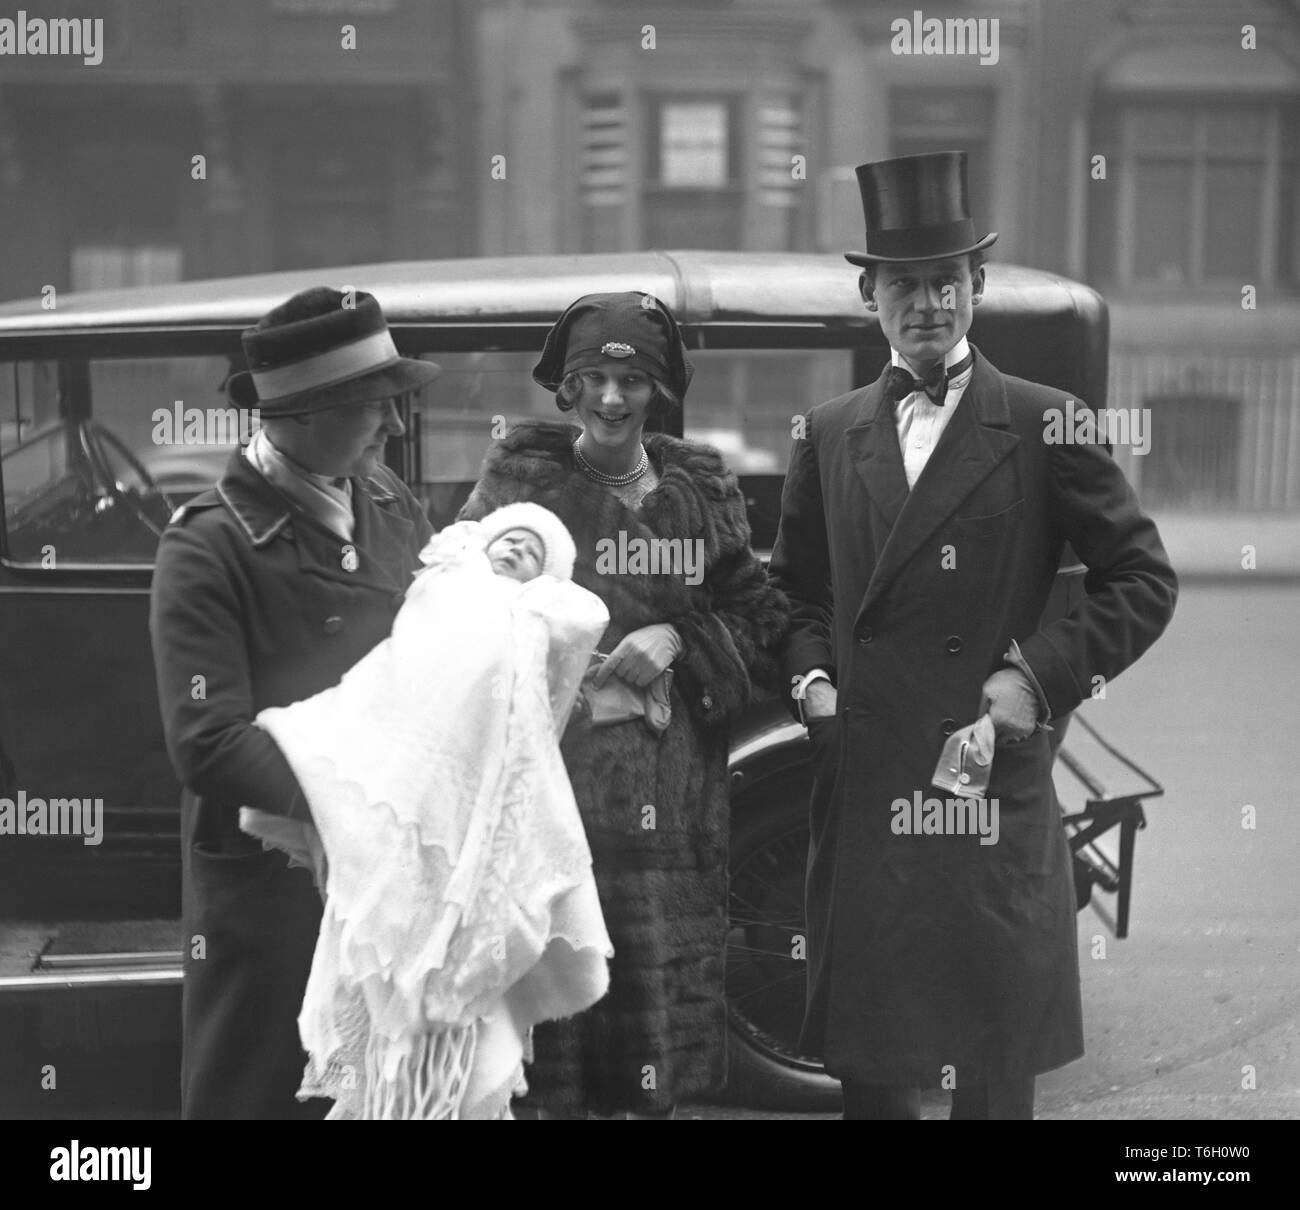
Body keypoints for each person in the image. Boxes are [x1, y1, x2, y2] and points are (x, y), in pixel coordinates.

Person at [768, 151, 1178, 1121]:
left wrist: (1035, 679)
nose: (926, 305)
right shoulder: (826, 433)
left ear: (976, 288)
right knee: (875, 1073)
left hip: (985, 783)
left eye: (945, 282)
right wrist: (813, 687)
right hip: (869, 787)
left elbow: (1140, 577)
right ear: (870, 294)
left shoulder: (1044, 423)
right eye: (904, 285)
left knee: (991, 1075)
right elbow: (791, 596)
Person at [459, 291, 790, 1118]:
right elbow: (454, 612)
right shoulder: (521, 487)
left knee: (651, 1054)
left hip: (673, 807)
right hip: (554, 799)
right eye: (594, 380)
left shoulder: (699, 490)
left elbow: (759, 616)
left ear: (658, 391)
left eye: (633, 380)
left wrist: (680, 642)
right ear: (566, 389)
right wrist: (563, 662)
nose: (613, 399)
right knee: (558, 1048)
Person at [149, 286, 440, 1119]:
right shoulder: (207, 543)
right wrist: (364, 805)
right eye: (377, 408)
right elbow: (207, 742)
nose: (396, 427)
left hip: (389, 876)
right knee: (265, 1087)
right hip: (278, 879)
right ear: (304, 415)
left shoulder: (384, 500)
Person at [239, 503, 615, 1120]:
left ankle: (437, 1088)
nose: (517, 550)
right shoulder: (444, 590)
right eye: (510, 539)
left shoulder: (537, 618)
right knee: (392, 941)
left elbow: (570, 641)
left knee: (458, 991)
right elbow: (395, 677)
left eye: (532, 554)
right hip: (410, 786)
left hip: (482, 803)